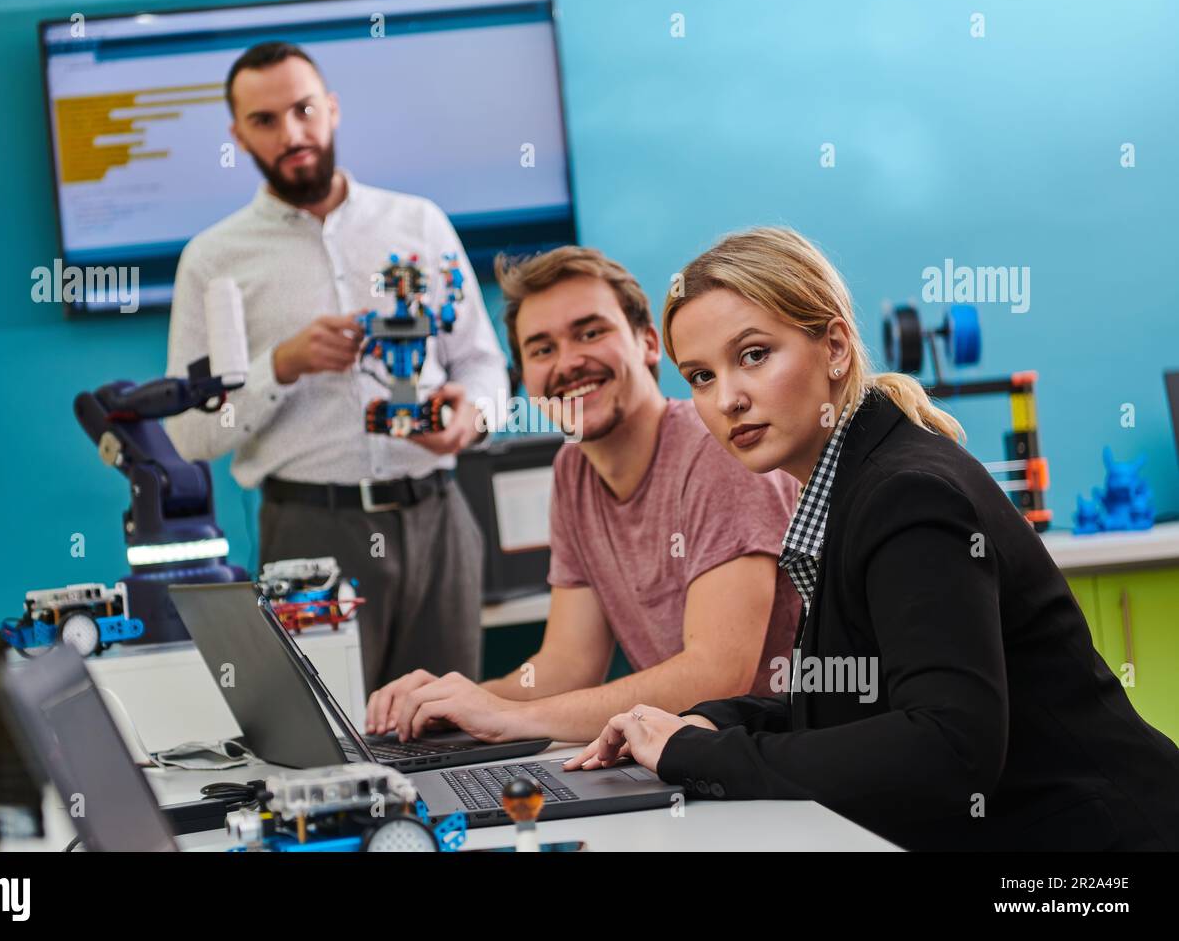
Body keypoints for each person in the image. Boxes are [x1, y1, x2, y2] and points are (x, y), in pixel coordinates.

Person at [566, 226, 1179, 851]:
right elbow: (851, 705)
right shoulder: (851, 482)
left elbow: (948, 746)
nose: (728, 399)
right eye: (699, 376)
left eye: (753, 355)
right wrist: (707, 723)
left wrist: (699, 754)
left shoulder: (905, 494)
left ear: (834, 346)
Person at [165, 42, 508, 692]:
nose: (292, 134)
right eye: (265, 121)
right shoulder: (213, 260)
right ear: (238, 136)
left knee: (451, 733)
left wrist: (471, 418)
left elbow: (483, 364)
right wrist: (279, 367)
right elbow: (190, 437)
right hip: (309, 534)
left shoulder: (419, 224)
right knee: (330, 738)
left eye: (303, 110)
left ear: (332, 108)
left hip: (440, 521)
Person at [365, 246, 800, 744]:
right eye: (542, 349)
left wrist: (513, 718)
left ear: (649, 344)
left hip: (780, 765)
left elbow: (717, 677)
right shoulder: (574, 469)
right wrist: (456, 702)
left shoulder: (715, 452)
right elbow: (567, 665)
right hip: (695, 759)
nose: (568, 362)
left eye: (591, 333)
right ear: (525, 378)